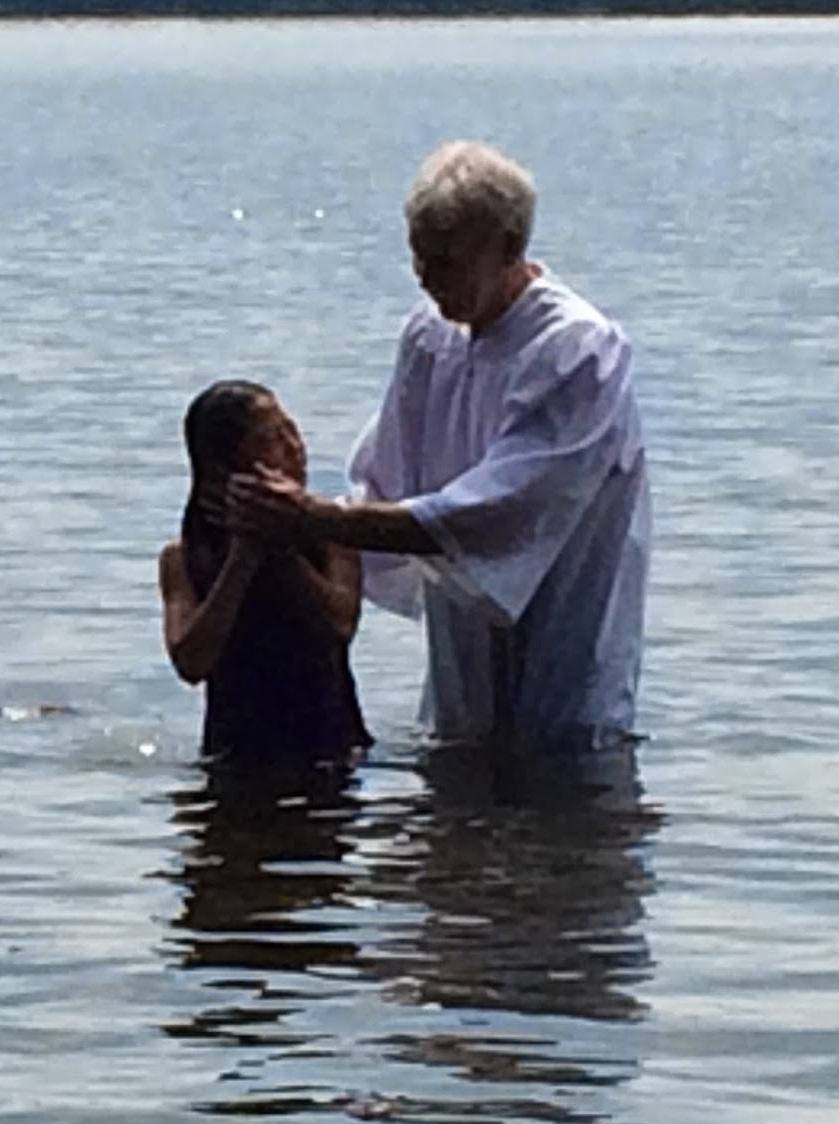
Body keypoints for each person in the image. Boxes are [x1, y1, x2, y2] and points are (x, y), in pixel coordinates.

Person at [228, 140, 651, 754]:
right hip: (462, 648)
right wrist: (295, 540)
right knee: (459, 781)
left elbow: (502, 508)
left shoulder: (576, 350)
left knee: (565, 786)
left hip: (568, 627)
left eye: (448, 262)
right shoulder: (431, 335)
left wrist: (318, 519)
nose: (428, 278)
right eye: (419, 258)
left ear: (509, 248)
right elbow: (386, 480)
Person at [159, 380, 372, 770]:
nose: (296, 447)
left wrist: (280, 550)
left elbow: (340, 625)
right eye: (272, 439)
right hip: (233, 758)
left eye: (292, 429)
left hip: (333, 753)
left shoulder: (331, 535)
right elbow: (191, 662)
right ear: (229, 465)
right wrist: (242, 557)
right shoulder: (185, 557)